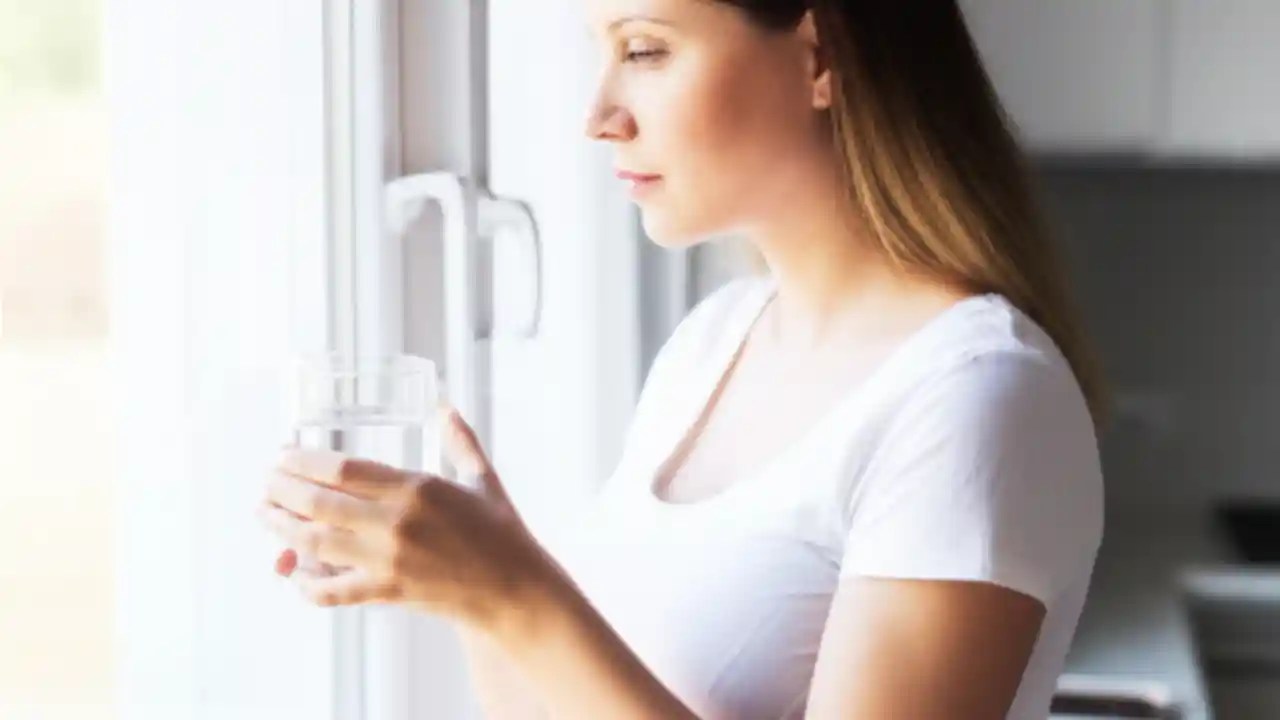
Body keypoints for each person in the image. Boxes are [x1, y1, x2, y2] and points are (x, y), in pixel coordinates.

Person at [260, 1, 1106, 718]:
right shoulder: (714, 343)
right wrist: (464, 585)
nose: (599, 116)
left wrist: (514, 596)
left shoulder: (975, 396)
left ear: (821, 56)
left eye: (645, 51)